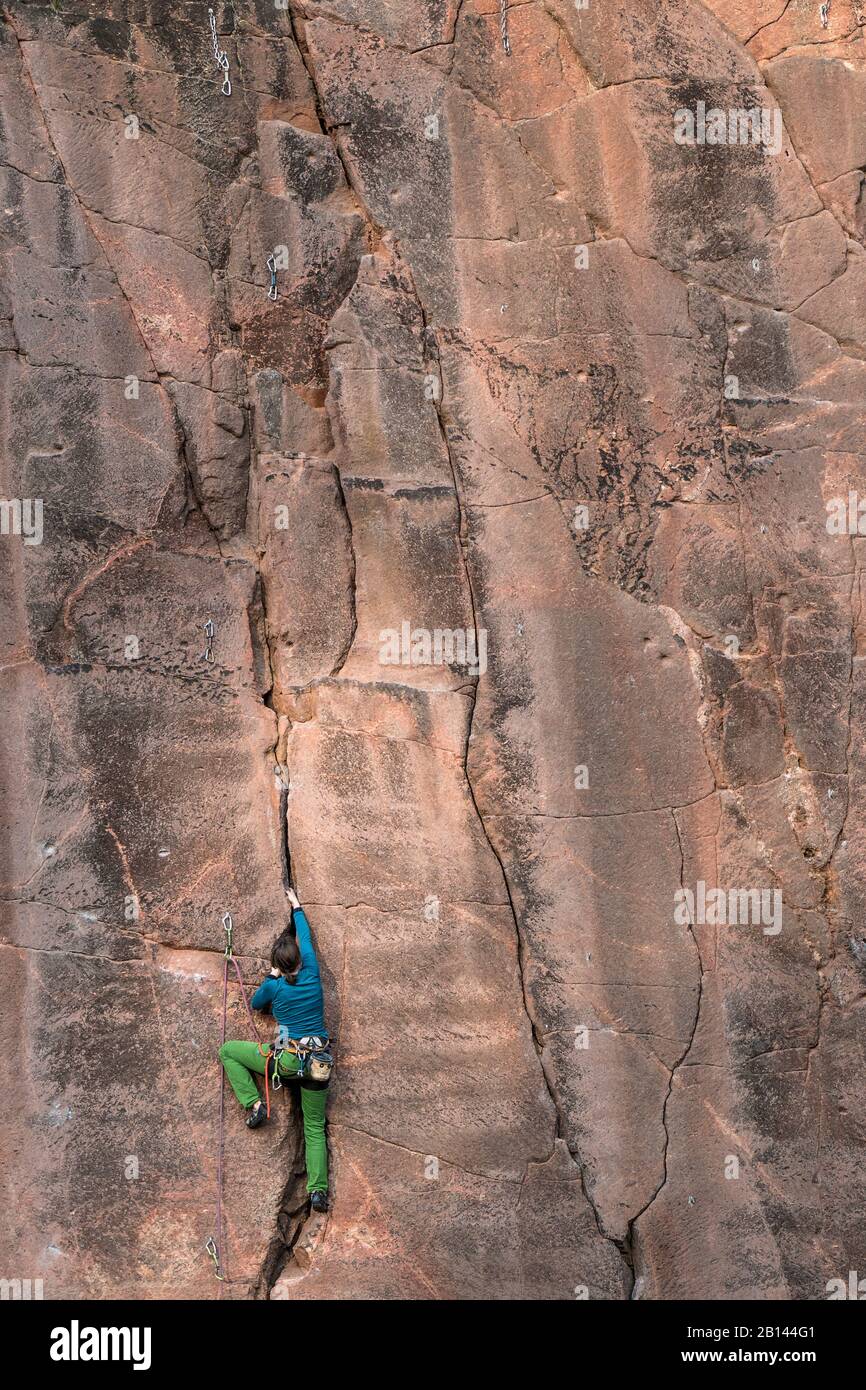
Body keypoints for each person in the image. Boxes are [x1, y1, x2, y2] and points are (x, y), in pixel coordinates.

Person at [218, 887, 330, 1213]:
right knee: (314, 1127)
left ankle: (255, 1104)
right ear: (299, 958)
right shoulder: (311, 969)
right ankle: (318, 1192)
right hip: (319, 1063)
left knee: (228, 1051)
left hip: (286, 1060)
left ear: (279, 965)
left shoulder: (275, 985)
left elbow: (256, 1005)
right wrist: (296, 905)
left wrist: (271, 975)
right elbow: (305, 936)